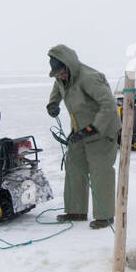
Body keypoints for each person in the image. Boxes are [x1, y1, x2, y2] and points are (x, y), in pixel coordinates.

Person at [46, 45, 120, 229]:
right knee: (74, 167)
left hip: (101, 131)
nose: (60, 76)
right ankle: (76, 210)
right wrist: (52, 103)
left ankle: (105, 216)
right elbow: (58, 86)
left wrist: (94, 128)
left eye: (61, 73)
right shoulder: (63, 78)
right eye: (57, 74)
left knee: (100, 172)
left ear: (69, 66)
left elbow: (109, 105)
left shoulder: (89, 78)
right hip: (80, 131)